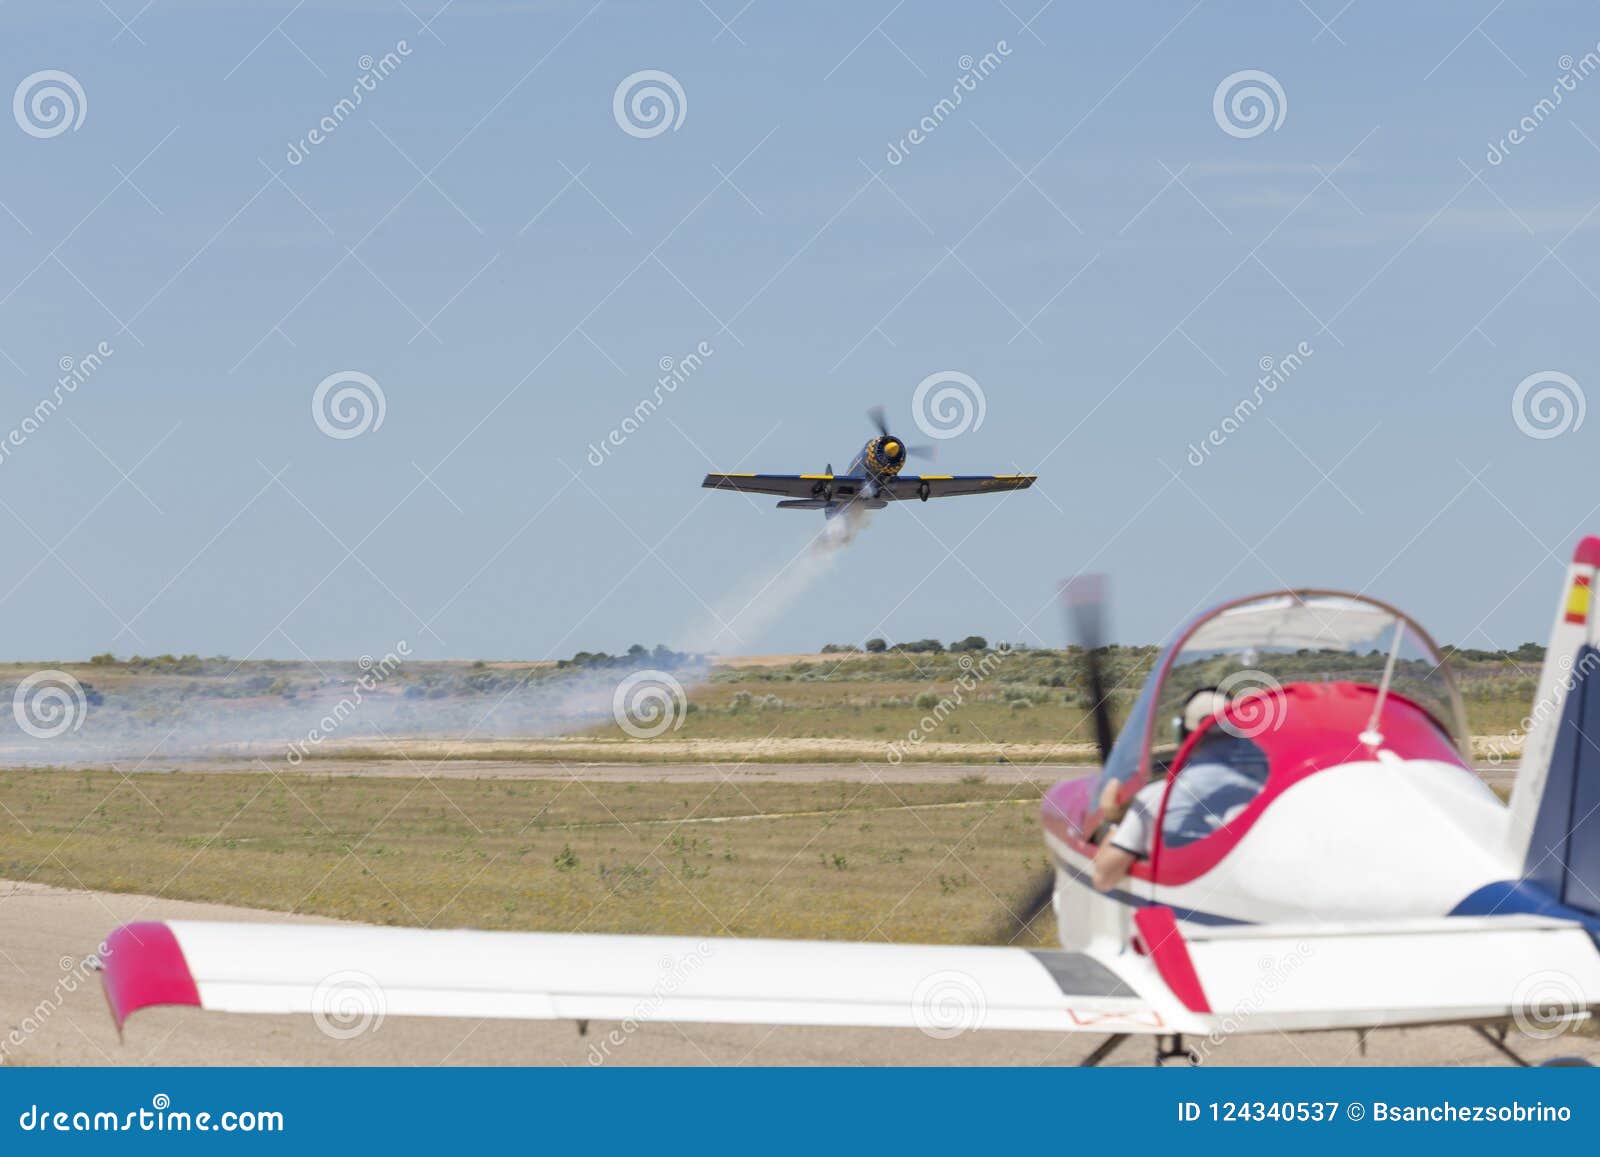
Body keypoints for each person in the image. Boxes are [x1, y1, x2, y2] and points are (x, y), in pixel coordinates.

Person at [1090, 688, 1269, 891]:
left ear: (1183, 733)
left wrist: (1115, 821)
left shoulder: (1157, 797)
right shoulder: (1264, 794)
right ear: (1239, 736)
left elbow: (1103, 877)